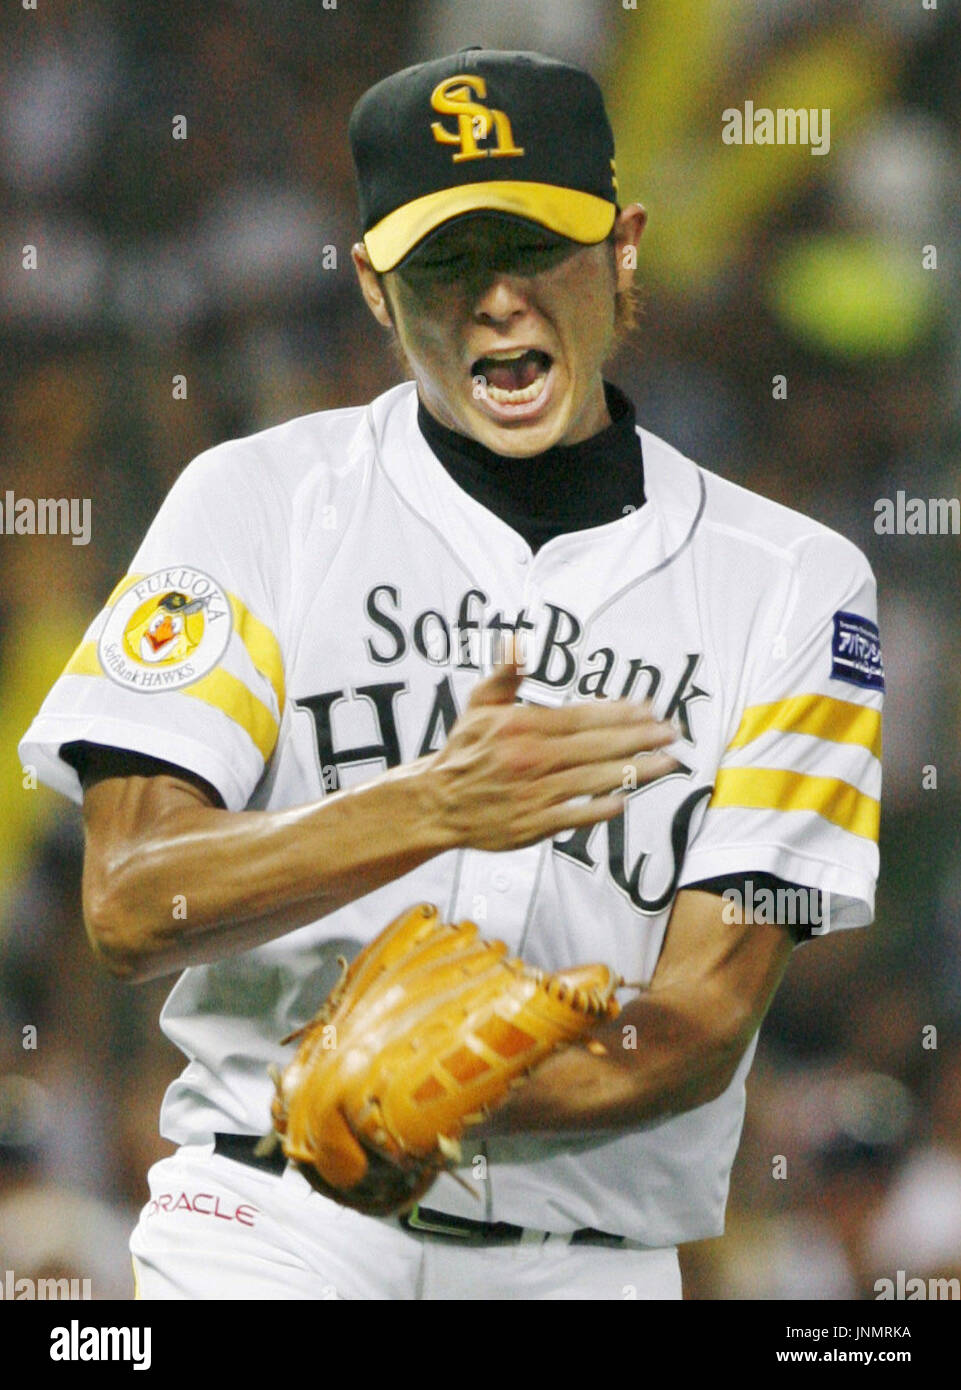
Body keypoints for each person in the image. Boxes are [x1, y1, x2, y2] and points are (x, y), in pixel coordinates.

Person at [19, 47, 884, 1301]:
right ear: (375, 287)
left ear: (624, 248)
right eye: (445, 261)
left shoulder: (795, 585)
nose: (496, 302)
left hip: (584, 1263)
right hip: (267, 1219)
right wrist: (428, 807)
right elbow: (130, 903)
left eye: (534, 246)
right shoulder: (256, 502)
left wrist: (427, 1101)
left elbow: (702, 1013)